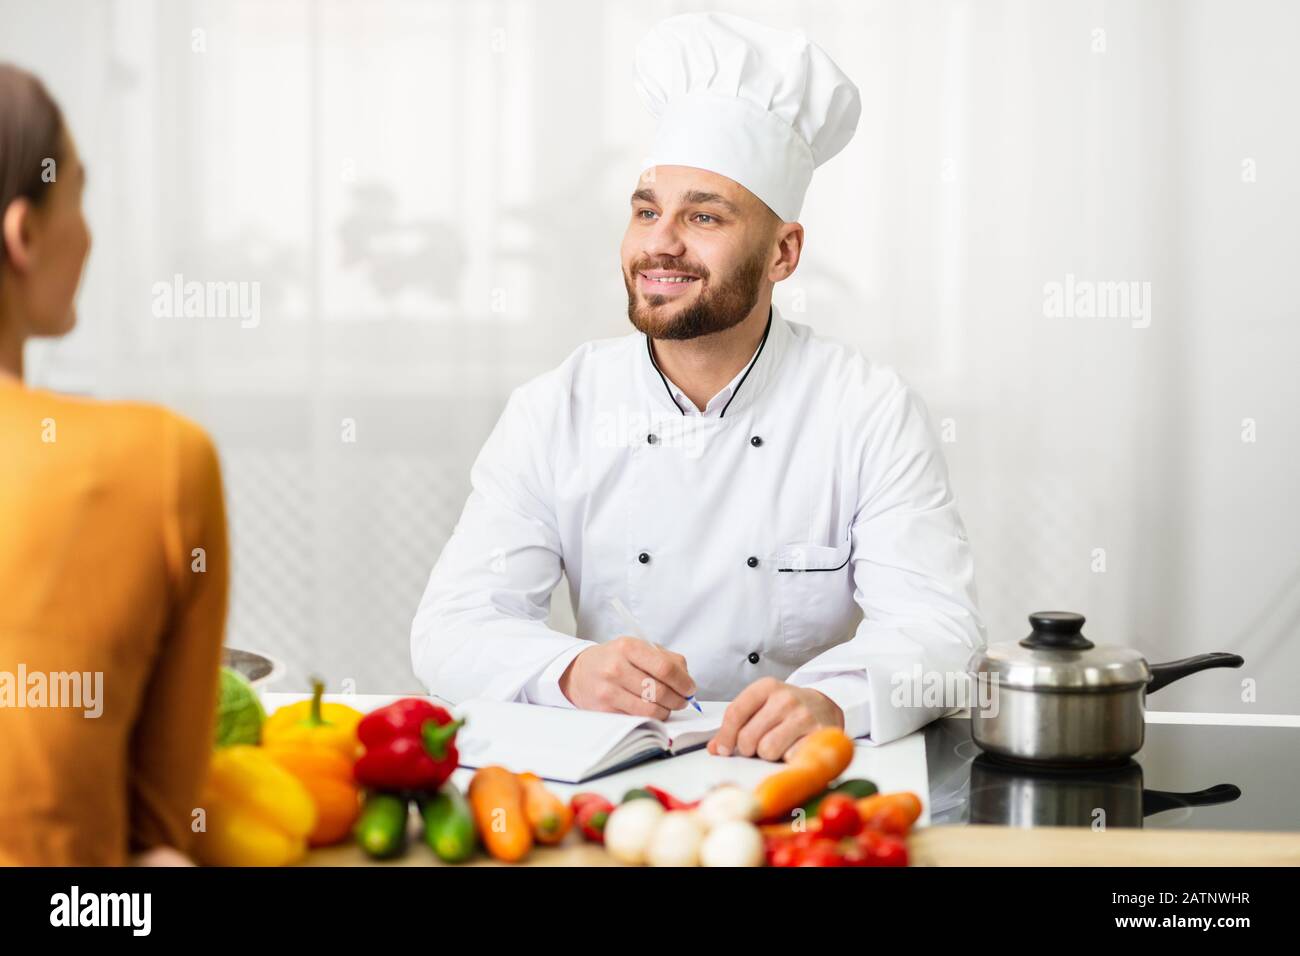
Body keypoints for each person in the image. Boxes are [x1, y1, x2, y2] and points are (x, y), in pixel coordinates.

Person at [411, 13, 985, 760]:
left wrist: (832, 701)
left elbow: (938, 628)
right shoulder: (557, 409)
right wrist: (568, 670)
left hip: (797, 782)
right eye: (647, 211)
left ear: (784, 252)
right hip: (612, 780)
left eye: (703, 216)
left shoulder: (866, 409)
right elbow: (453, 625)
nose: (660, 243)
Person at [0, 64, 228, 865]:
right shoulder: (159, 462)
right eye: (80, 199)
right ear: (22, 235)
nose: (90, 234)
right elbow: (162, 832)